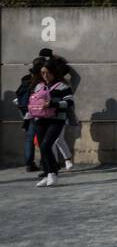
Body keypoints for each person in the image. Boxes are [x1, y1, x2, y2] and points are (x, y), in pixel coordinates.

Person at [27, 58, 73, 186]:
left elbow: (69, 103)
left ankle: (53, 173)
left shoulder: (63, 86)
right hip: (40, 119)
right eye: (42, 73)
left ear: (54, 72)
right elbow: (33, 102)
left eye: (47, 72)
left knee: (46, 145)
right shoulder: (38, 86)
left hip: (56, 120)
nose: (45, 76)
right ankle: (48, 174)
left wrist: (52, 104)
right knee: (43, 148)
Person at [15, 60, 40, 172]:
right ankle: (45, 162)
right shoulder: (39, 81)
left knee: (29, 139)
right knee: (44, 138)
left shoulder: (25, 79)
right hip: (39, 112)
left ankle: (29, 164)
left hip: (27, 113)